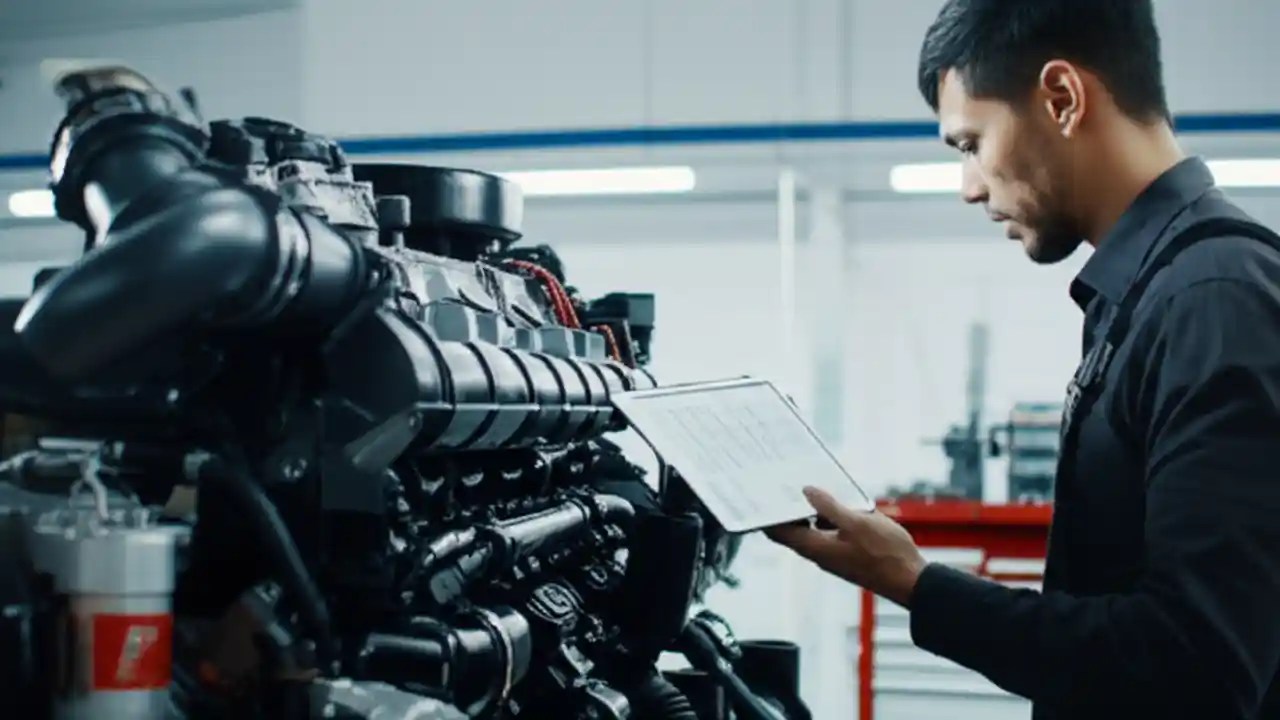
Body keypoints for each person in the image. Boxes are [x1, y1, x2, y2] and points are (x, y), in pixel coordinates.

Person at [767, 1, 1280, 718]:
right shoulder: (1143, 295)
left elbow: (1193, 666)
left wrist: (917, 582)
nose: (970, 186)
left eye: (971, 143)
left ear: (1062, 98)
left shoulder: (1214, 298)